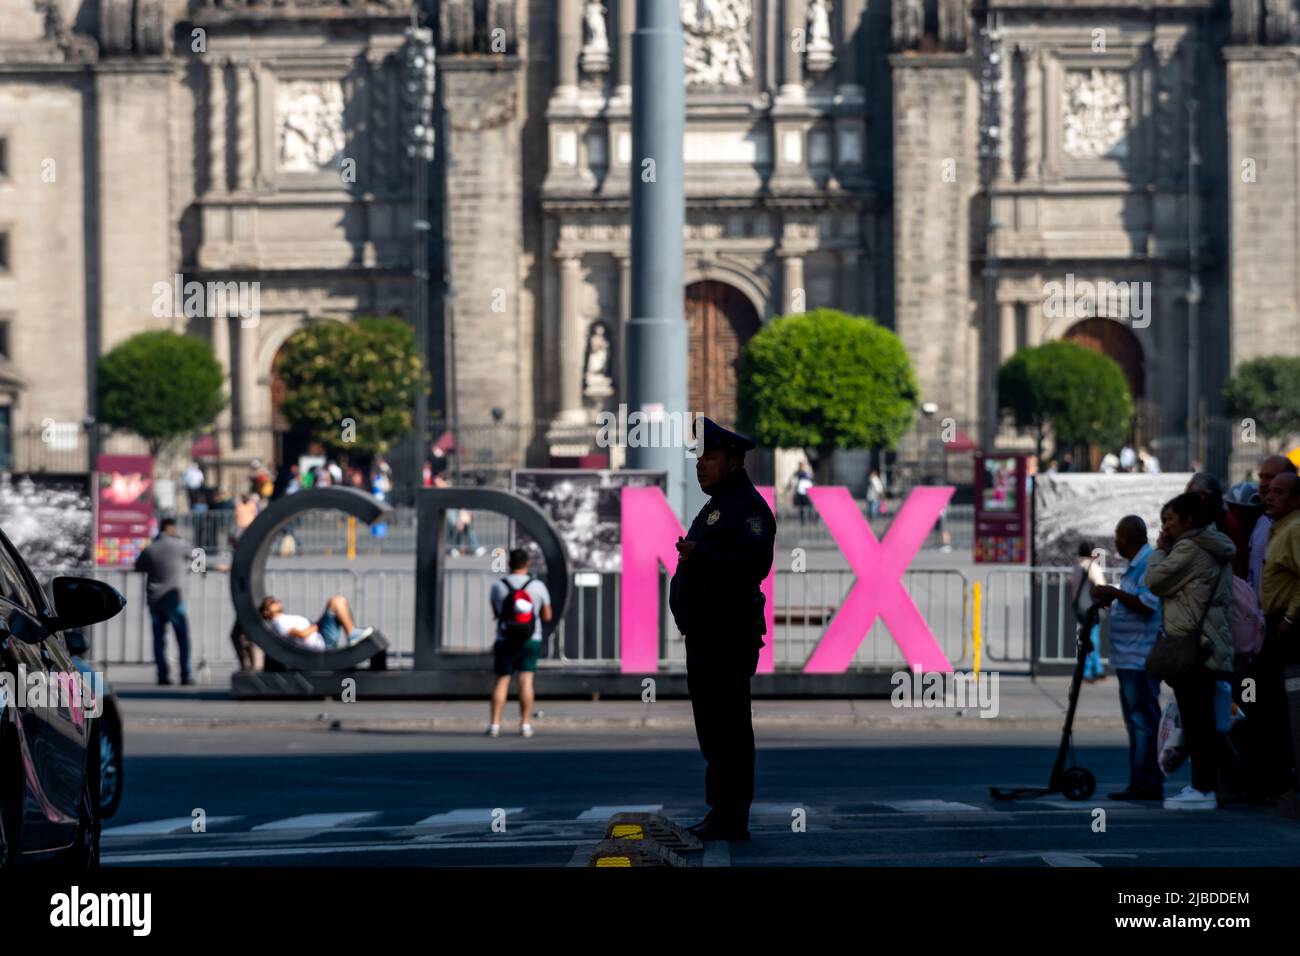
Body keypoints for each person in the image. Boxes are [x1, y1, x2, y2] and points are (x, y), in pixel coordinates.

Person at [670, 418, 776, 842]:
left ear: (733, 462)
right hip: (707, 634)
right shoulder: (720, 503)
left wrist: (701, 557)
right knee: (714, 730)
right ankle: (721, 812)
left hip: (727, 636)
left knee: (728, 731)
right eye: (699, 458)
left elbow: (754, 567)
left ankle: (732, 818)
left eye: (710, 458)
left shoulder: (747, 508)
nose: (701, 466)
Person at [1146, 493, 1236, 810]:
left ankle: (1202, 788)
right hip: (1210, 643)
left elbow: (1154, 580)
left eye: (1170, 520)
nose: (1165, 527)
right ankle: (1212, 785)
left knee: (1198, 721)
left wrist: (1159, 551)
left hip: (1194, 646)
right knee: (1203, 720)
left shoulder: (1189, 547)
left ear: (1188, 520)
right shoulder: (1214, 544)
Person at [1091, 516, 1163, 800]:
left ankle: (1146, 783)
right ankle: (1140, 781)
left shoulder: (1148, 564)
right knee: (1136, 722)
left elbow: (1147, 604)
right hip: (1128, 657)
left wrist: (1113, 592)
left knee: (1143, 722)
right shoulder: (1135, 566)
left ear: (1131, 538)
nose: (1116, 541)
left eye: (1119, 536)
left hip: (1140, 658)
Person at [1256, 471, 1300, 797]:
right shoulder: (1277, 527)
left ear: (1296, 500)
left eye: (1279, 492)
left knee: (1281, 701)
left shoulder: (1295, 529)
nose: (1269, 497)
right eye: (1269, 491)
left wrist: (1289, 617)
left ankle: (1285, 774)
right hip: (1274, 623)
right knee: (1269, 700)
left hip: (1287, 628)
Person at [486, 548, 552, 738]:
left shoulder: (498, 586)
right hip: (531, 639)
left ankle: (495, 724)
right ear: (527, 564)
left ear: (509, 564)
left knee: (502, 680)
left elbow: (497, 614)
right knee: (526, 680)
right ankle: (524, 724)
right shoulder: (538, 586)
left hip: (505, 638)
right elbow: (547, 615)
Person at [134, 518, 194, 686]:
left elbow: (138, 566)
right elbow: (199, 559)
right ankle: (185, 674)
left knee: (159, 640)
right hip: (175, 599)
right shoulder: (181, 546)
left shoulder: (150, 548)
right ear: (172, 529)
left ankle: (162, 675)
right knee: (182, 638)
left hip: (155, 599)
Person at [1248, 456, 1299, 603]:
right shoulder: (1261, 522)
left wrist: (1288, 619)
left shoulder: (1296, 527)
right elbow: (1253, 572)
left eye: (1270, 477)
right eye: (1261, 477)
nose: (1263, 483)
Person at [259, 595, 374, 650]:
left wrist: (316, 626)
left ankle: (352, 632)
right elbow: (301, 634)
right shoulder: (279, 623)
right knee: (336, 602)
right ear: (267, 611)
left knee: (339, 601)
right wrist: (315, 627)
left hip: (319, 635)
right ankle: (352, 634)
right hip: (321, 641)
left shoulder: (281, 619)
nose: (277, 601)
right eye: (272, 602)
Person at [1074, 540, 1107, 682]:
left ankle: (1096, 668)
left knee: (1089, 637)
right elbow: (1101, 586)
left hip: (1079, 607)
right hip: (1091, 608)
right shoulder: (1092, 567)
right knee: (1093, 638)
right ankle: (1089, 670)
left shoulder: (1077, 566)